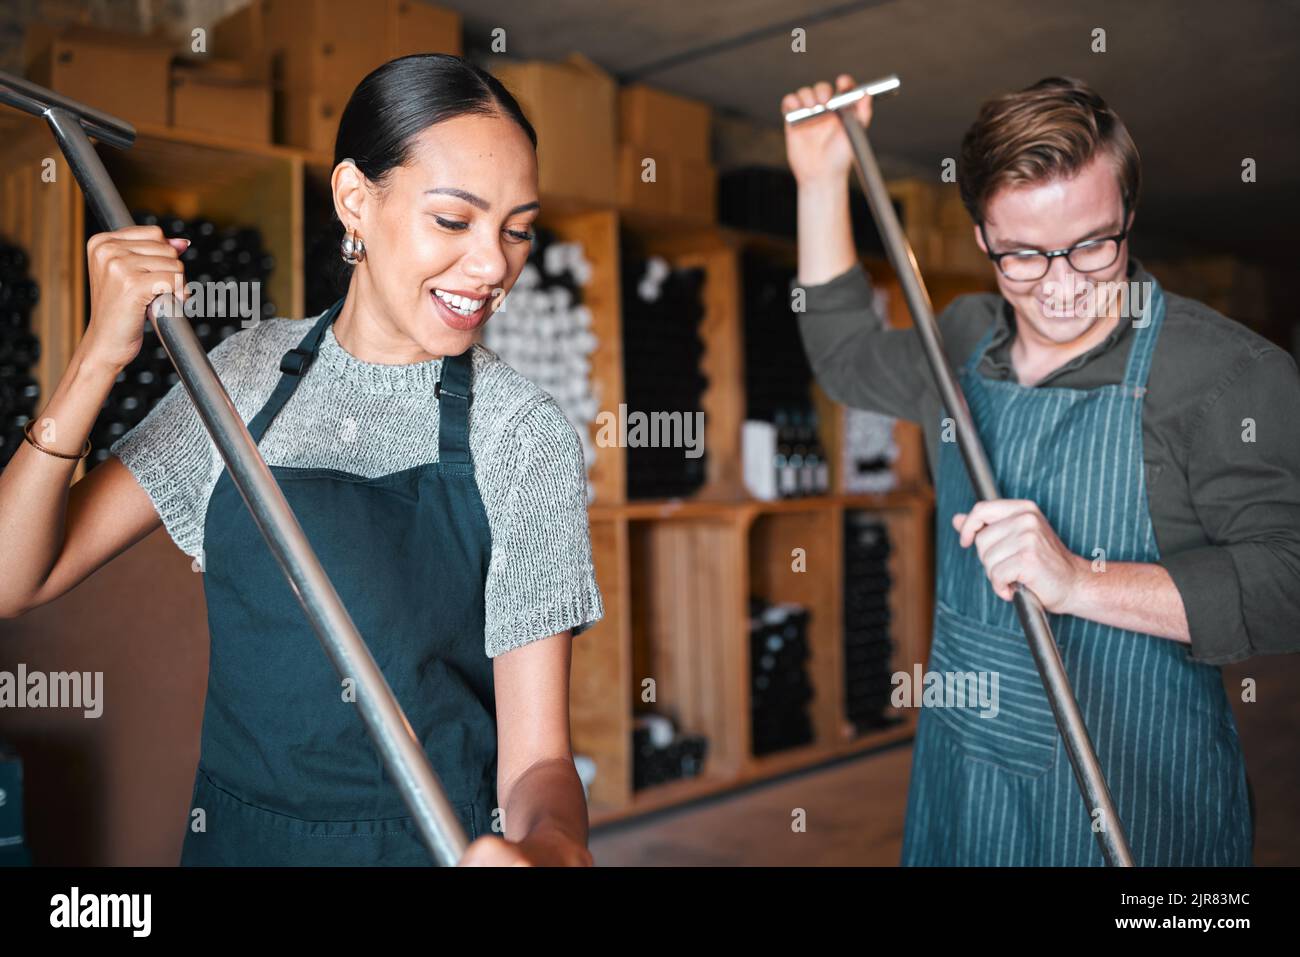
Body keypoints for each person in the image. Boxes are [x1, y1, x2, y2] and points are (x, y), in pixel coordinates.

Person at [0, 53, 604, 866]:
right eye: (455, 221)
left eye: (518, 228)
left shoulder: (520, 433)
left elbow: (537, 763)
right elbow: (13, 578)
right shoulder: (243, 378)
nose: (495, 264)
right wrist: (97, 361)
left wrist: (553, 852)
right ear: (356, 199)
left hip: (426, 850)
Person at [783, 74, 1300, 865]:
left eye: (1093, 244)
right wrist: (820, 181)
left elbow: (1287, 579)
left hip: (1137, 797)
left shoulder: (1224, 374)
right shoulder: (955, 338)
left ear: (1129, 217)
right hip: (967, 779)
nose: (1061, 286)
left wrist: (1079, 582)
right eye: (1022, 255)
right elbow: (846, 356)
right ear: (983, 239)